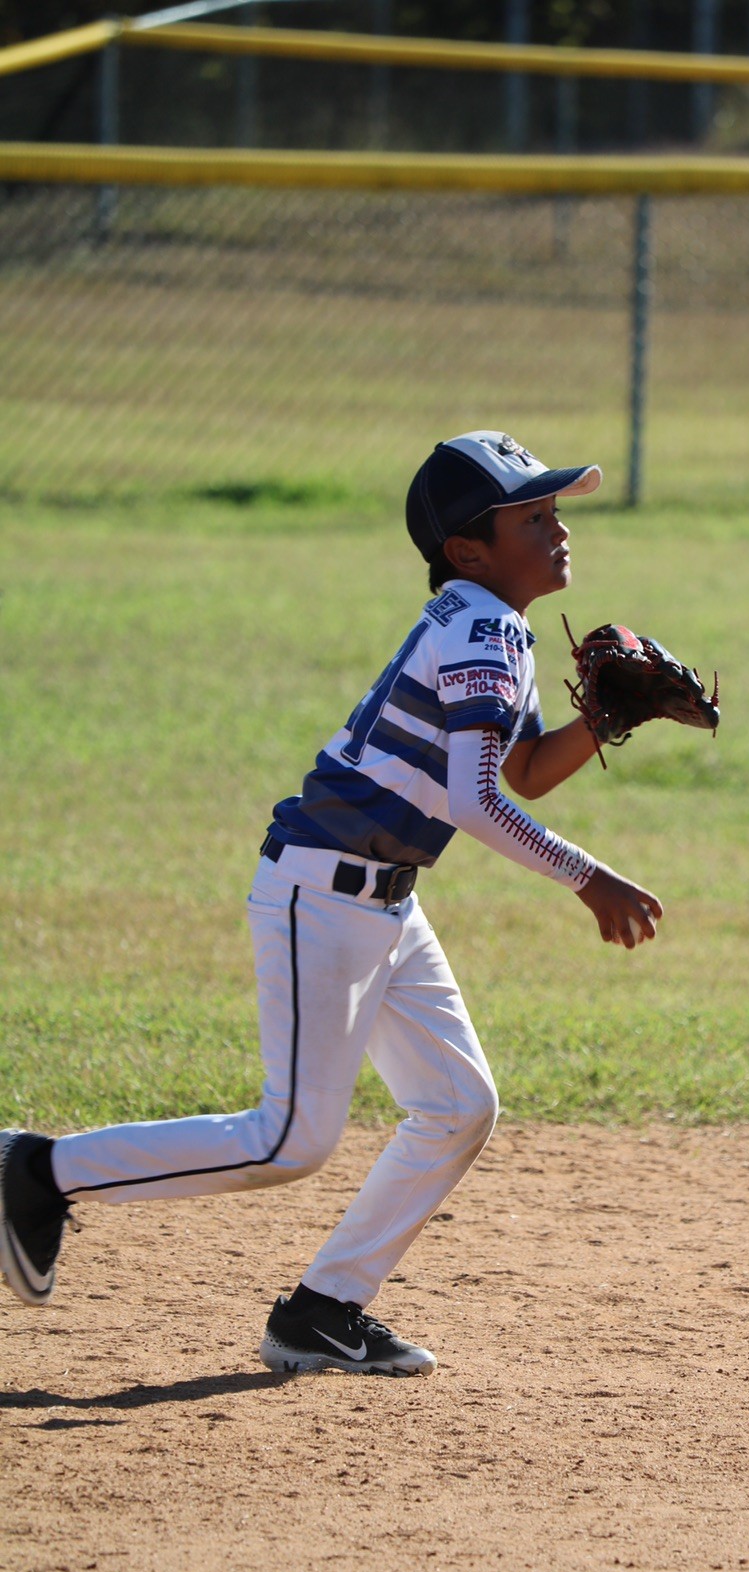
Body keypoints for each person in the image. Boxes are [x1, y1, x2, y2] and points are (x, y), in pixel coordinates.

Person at [0, 430, 662, 1378]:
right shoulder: (481, 627)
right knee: (289, 1140)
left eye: (554, 512)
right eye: (532, 518)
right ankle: (35, 1171)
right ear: (468, 550)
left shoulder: (488, 623)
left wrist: (600, 721)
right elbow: (479, 801)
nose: (558, 530)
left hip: (376, 898)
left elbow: (521, 769)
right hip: (326, 890)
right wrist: (588, 877)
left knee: (457, 1106)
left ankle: (322, 1311)